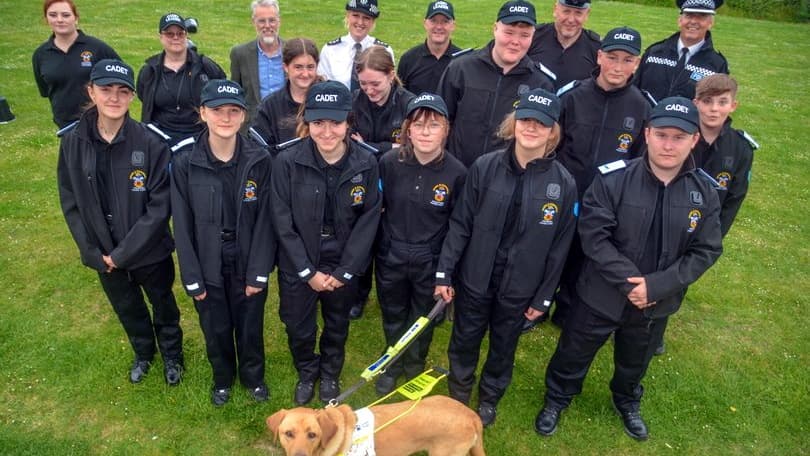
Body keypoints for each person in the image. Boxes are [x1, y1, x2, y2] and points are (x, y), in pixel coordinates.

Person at [535, 97, 723, 441]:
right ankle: (557, 398)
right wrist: (631, 283)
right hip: (600, 295)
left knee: (634, 362)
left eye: (679, 137)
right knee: (573, 353)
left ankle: (626, 400)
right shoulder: (613, 180)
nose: (669, 145)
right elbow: (594, 237)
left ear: (694, 139)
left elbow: (706, 249)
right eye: (661, 135)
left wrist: (657, 286)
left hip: (655, 303)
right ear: (647, 134)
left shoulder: (705, 193)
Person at [434, 88, 578, 427]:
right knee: (464, 339)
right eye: (525, 120)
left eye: (541, 123)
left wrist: (544, 297)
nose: (532, 127)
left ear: (552, 131)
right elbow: (461, 224)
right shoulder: (485, 167)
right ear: (514, 124)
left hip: (519, 287)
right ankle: (459, 393)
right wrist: (445, 273)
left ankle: (489, 397)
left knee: (503, 346)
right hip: (476, 277)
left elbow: (560, 248)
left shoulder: (564, 184)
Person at [56, 58, 184, 386]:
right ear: (91, 92)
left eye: (123, 91)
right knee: (128, 307)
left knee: (163, 304)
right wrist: (92, 251)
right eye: (106, 89)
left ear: (132, 97)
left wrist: (123, 254)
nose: (114, 97)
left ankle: (172, 354)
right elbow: (70, 201)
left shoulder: (151, 143)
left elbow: (160, 207)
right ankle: (144, 352)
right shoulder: (72, 141)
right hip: (103, 252)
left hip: (149, 252)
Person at [523, 26, 650, 333]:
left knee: (587, 257)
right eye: (612, 57)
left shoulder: (643, 107)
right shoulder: (571, 96)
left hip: (608, 202)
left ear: (637, 64)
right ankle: (536, 307)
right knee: (550, 251)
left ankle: (568, 311)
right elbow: (550, 145)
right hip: (565, 193)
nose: (618, 66)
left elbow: (639, 162)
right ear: (599, 56)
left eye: (627, 60)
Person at [271, 80, 381, 405]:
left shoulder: (366, 163)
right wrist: (307, 271)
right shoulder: (287, 162)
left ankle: (331, 372)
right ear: (307, 123)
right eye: (318, 122)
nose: (327, 131)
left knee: (337, 323)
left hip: (342, 261)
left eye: (335, 122)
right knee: (297, 325)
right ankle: (307, 371)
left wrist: (346, 270)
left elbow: (368, 220)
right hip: (300, 261)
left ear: (348, 122)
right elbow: (282, 221)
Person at [171, 79, 275, 406]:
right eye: (217, 110)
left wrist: (259, 272)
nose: (225, 118)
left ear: (243, 115)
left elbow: (267, 221)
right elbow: (182, 224)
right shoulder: (185, 161)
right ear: (203, 113)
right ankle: (222, 378)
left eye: (233, 111)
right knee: (215, 326)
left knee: (250, 324)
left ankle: (253, 377)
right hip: (207, 258)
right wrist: (192, 277)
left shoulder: (260, 159)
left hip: (247, 256)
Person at [374, 93, 467, 395]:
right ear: (408, 130)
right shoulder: (388, 163)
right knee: (393, 313)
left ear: (446, 130)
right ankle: (391, 363)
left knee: (422, 318)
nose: (426, 132)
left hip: (430, 258)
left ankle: (414, 363)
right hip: (392, 255)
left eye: (434, 125)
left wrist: (445, 271)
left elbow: (458, 225)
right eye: (418, 124)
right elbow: (376, 211)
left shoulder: (457, 173)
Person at [438, 0, 555, 167]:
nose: (515, 41)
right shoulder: (461, 68)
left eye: (524, 35)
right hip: (458, 171)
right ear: (495, 29)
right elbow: (440, 122)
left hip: (505, 177)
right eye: (509, 32)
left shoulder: (541, 84)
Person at [346, 45, 415, 320]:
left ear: (391, 74)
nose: (369, 90)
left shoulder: (409, 105)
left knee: (389, 244)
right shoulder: (354, 101)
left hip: (398, 182)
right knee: (361, 240)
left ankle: (393, 296)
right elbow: (348, 143)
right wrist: (391, 146)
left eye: (375, 83)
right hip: (361, 180)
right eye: (363, 84)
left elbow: (412, 148)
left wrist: (373, 146)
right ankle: (358, 295)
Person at [137, 13, 226, 150]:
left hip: (200, 137)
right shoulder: (150, 70)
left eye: (180, 33)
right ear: (161, 37)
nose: (176, 37)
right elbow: (143, 95)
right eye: (170, 34)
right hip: (160, 138)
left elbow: (222, 95)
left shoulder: (205, 67)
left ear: (186, 35)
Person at [33, 0, 120, 128]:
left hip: (100, 121)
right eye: (53, 15)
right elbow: (45, 90)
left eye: (66, 15)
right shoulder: (41, 54)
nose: (59, 20)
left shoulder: (97, 48)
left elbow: (122, 80)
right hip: (65, 125)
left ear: (76, 18)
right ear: (46, 19)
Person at [692, 74, 756, 237]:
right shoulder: (681, 137)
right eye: (707, 101)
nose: (714, 109)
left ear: (733, 105)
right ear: (696, 103)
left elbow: (734, 199)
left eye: (722, 102)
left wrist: (714, 238)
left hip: (708, 231)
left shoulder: (741, 148)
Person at [635, 0, 728, 103]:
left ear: (710, 23)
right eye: (689, 15)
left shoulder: (717, 65)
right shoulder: (654, 53)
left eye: (701, 16)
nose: (693, 21)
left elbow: (717, 106)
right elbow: (633, 91)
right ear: (680, 20)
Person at [251, 38, 321, 151]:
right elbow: (260, 148)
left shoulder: (330, 99)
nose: (305, 74)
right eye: (298, 67)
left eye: (310, 67)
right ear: (285, 67)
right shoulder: (270, 106)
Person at [318, 0, 394, 91]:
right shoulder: (330, 50)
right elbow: (322, 88)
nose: (360, 22)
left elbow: (388, 87)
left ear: (373, 22)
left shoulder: (384, 51)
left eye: (366, 18)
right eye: (355, 15)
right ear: (347, 16)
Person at [230, 0, 285, 124]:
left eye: (272, 20)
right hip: (253, 125)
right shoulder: (240, 54)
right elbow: (235, 93)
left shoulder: (292, 51)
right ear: (253, 22)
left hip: (286, 122)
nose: (267, 26)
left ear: (279, 21)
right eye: (262, 21)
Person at [527, 0, 600, 91]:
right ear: (555, 9)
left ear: (587, 14)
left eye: (578, 13)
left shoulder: (596, 48)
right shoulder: (533, 38)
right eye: (566, 11)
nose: (571, 20)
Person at [397, 1, 466, 95]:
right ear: (425, 23)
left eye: (445, 21)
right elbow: (399, 97)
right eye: (433, 21)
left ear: (453, 25)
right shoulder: (409, 59)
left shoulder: (463, 61)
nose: (439, 27)